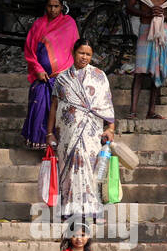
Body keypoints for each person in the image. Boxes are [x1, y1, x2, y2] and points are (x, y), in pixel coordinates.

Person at [46, 40, 115, 224]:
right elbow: (54, 106)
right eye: (81, 53)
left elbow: (106, 103)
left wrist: (110, 128)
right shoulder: (62, 78)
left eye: (88, 54)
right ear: (74, 52)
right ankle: (68, 210)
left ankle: (92, 210)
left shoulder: (99, 76)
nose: (84, 57)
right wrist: (49, 132)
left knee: (91, 168)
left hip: (92, 133)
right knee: (68, 170)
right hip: (67, 133)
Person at [22, 0, 80, 148]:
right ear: (45, 7)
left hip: (63, 77)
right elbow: (29, 50)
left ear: (62, 7)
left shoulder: (69, 24)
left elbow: (75, 49)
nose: (53, 9)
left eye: (56, 6)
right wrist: (38, 69)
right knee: (40, 106)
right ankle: (40, 144)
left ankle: (60, 145)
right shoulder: (38, 24)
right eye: (50, 6)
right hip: (43, 77)